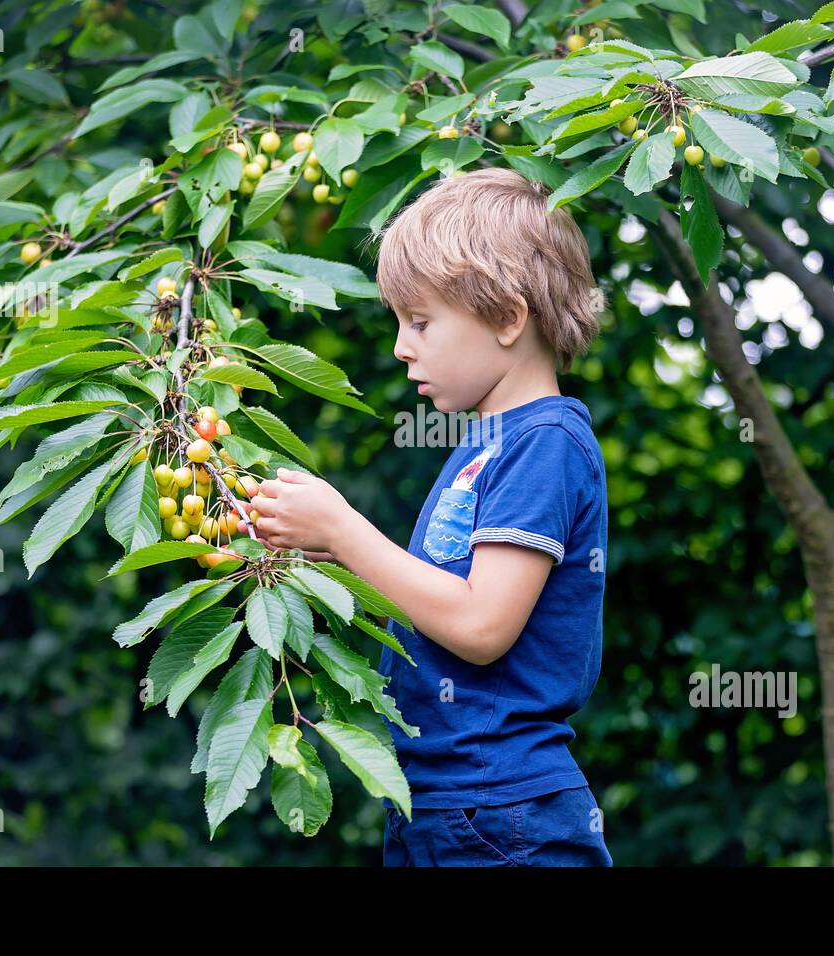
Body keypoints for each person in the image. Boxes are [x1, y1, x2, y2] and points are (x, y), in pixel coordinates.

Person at [238, 167, 611, 866]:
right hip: (440, 804)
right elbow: (430, 607)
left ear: (507, 316)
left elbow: (479, 626)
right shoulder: (485, 447)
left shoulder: (545, 444)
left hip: (502, 814)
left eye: (420, 322)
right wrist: (317, 550)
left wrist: (347, 530)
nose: (402, 346)